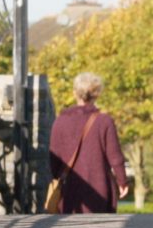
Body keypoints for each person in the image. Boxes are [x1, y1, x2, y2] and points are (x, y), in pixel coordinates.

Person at [47, 72, 130, 214]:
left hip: (69, 190)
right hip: (100, 189)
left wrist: (57, 177)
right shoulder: (104, 122)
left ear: (75, 93)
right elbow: (115, 158)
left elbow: (54, 159)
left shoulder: (60, 121)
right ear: (97, 94)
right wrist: (122, 181)